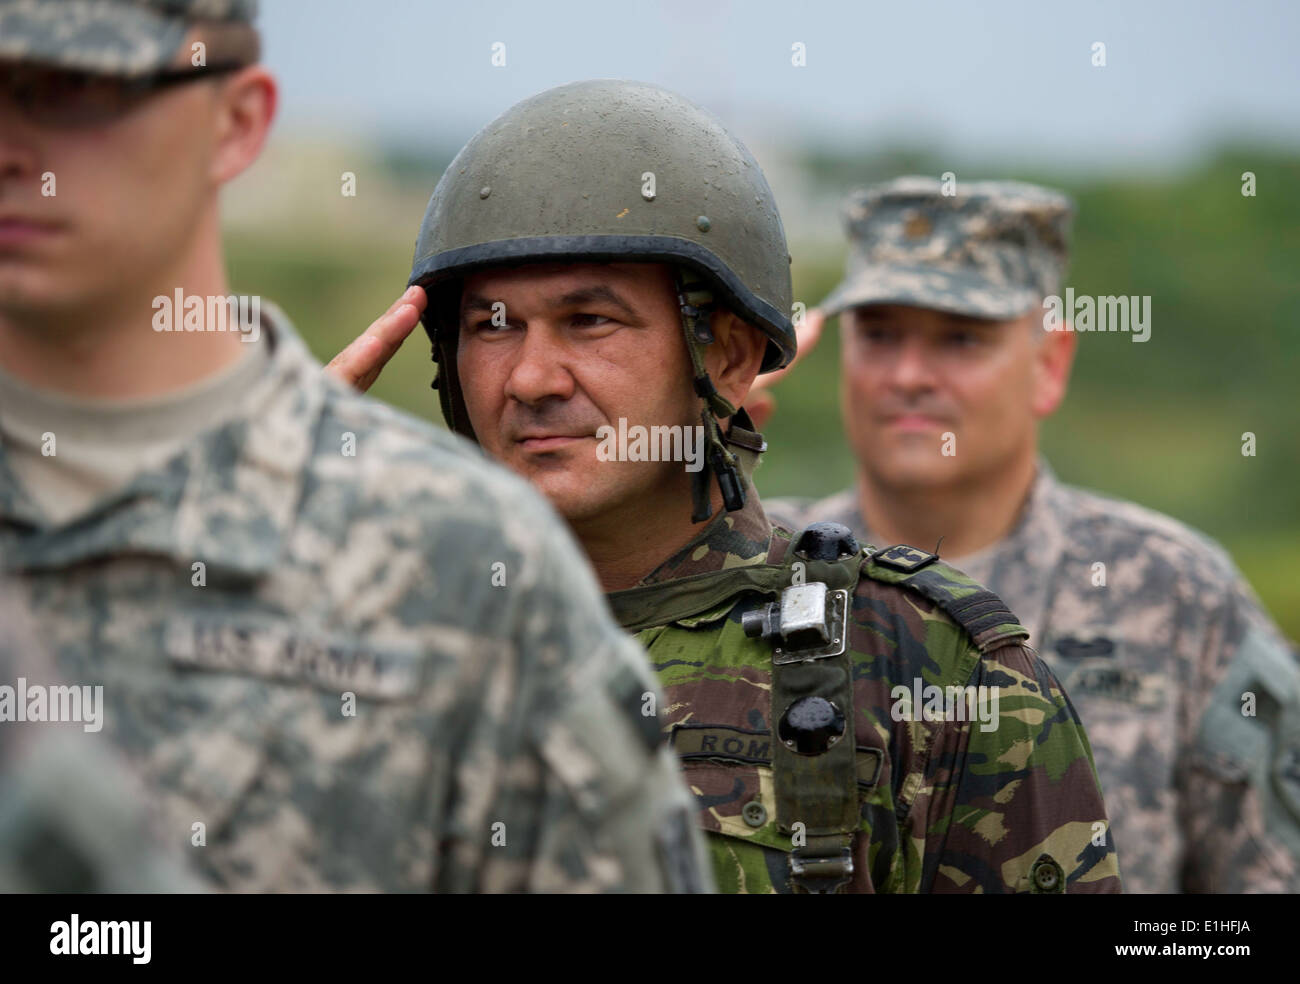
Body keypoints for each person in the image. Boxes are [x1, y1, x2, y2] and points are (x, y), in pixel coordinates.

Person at [334, 80, 1122, 893]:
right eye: (491, 326)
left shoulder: (925, 665)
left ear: (731, 359)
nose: (530, 378)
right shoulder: (361, 636)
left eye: (589, 321)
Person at [0, 0, 710, 893]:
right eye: (494, 326)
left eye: (71, 88)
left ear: (236, 120)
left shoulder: (469, 569)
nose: (11, 146)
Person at [763, 176, 1300, 892]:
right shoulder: (766, 569)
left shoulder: (1175, 592)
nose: (909, 376)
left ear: (1049, 363)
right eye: (880, 334)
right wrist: (700, 452)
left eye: (960, 338)